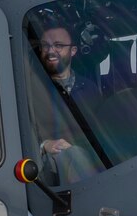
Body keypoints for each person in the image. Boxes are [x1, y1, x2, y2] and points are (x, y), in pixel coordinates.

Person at [36, 23, 100, 156]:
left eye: (58, 45)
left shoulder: (90, 88)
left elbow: (101, 133)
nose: (51, 51)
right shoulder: (31, 88)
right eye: (46, 46)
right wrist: (43, 145)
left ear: (73, 51)